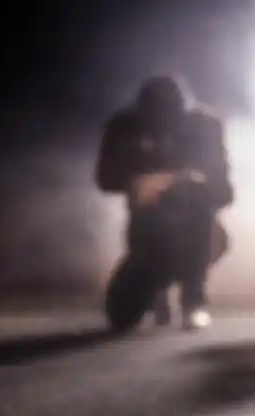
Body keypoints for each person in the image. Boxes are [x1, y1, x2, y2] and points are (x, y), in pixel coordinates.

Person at [96, 75, 234, 330]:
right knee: (121, 315)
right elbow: (105, 179)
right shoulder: (123, 127)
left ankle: (193, 298)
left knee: (195, 199)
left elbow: (225, 192)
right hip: (147, 231)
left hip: (196, 224)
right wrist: (137, 181)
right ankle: (155, 289)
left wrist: (182, 180)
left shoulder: (205, 126)